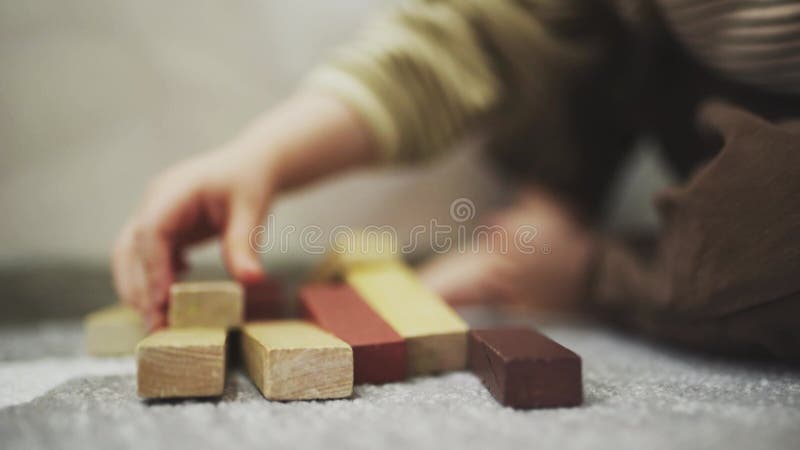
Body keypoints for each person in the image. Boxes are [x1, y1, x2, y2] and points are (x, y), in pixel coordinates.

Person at [112, 0, 800, 359]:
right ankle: (539, 227)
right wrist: (262, 154)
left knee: (758, 233)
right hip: (696, 81)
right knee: (571, 31)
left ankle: (577, 266)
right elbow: (479, 30)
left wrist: (595, 276)